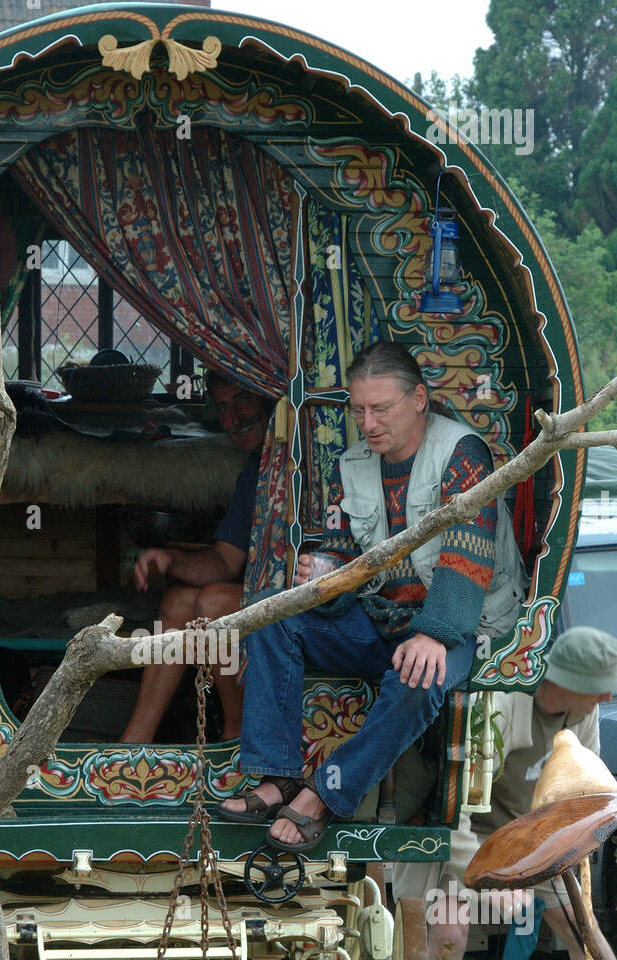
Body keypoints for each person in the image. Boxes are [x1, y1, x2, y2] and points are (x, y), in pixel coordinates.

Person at [218, 339, 527, 843]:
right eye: (359, 410)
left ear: (418, 400)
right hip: (384, 617)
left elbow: (466, 559)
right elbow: (344, 557)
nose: (369, 422)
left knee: (420, 674)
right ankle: (276, 777)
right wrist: (324, 571)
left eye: (381, 409)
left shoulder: (463, 452)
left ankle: (324, 794)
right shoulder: (353, 464)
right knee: (270, 615)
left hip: (463, 624)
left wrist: (436, 633)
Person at [392, 626, 617, 960]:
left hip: (532, 838)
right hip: (465, 840)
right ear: (566, 680)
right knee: (447, 935)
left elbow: (582, 795)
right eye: (599, 687)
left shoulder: (585, 714)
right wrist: (488, 879)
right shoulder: (496, 702)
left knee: (586, 936)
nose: (607, 697)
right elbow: (455, 811)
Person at [121, 373, 274, 743]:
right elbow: (225, 562)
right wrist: (170, 560)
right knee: (178, 600)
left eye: (244, 401)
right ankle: (133, 743)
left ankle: (237, 737)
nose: (234, 417)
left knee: (214, 602)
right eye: (223, 407)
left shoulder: (303, 459)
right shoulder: (256, 468)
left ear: (272, 400)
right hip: (263, 596)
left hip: (313, 605)